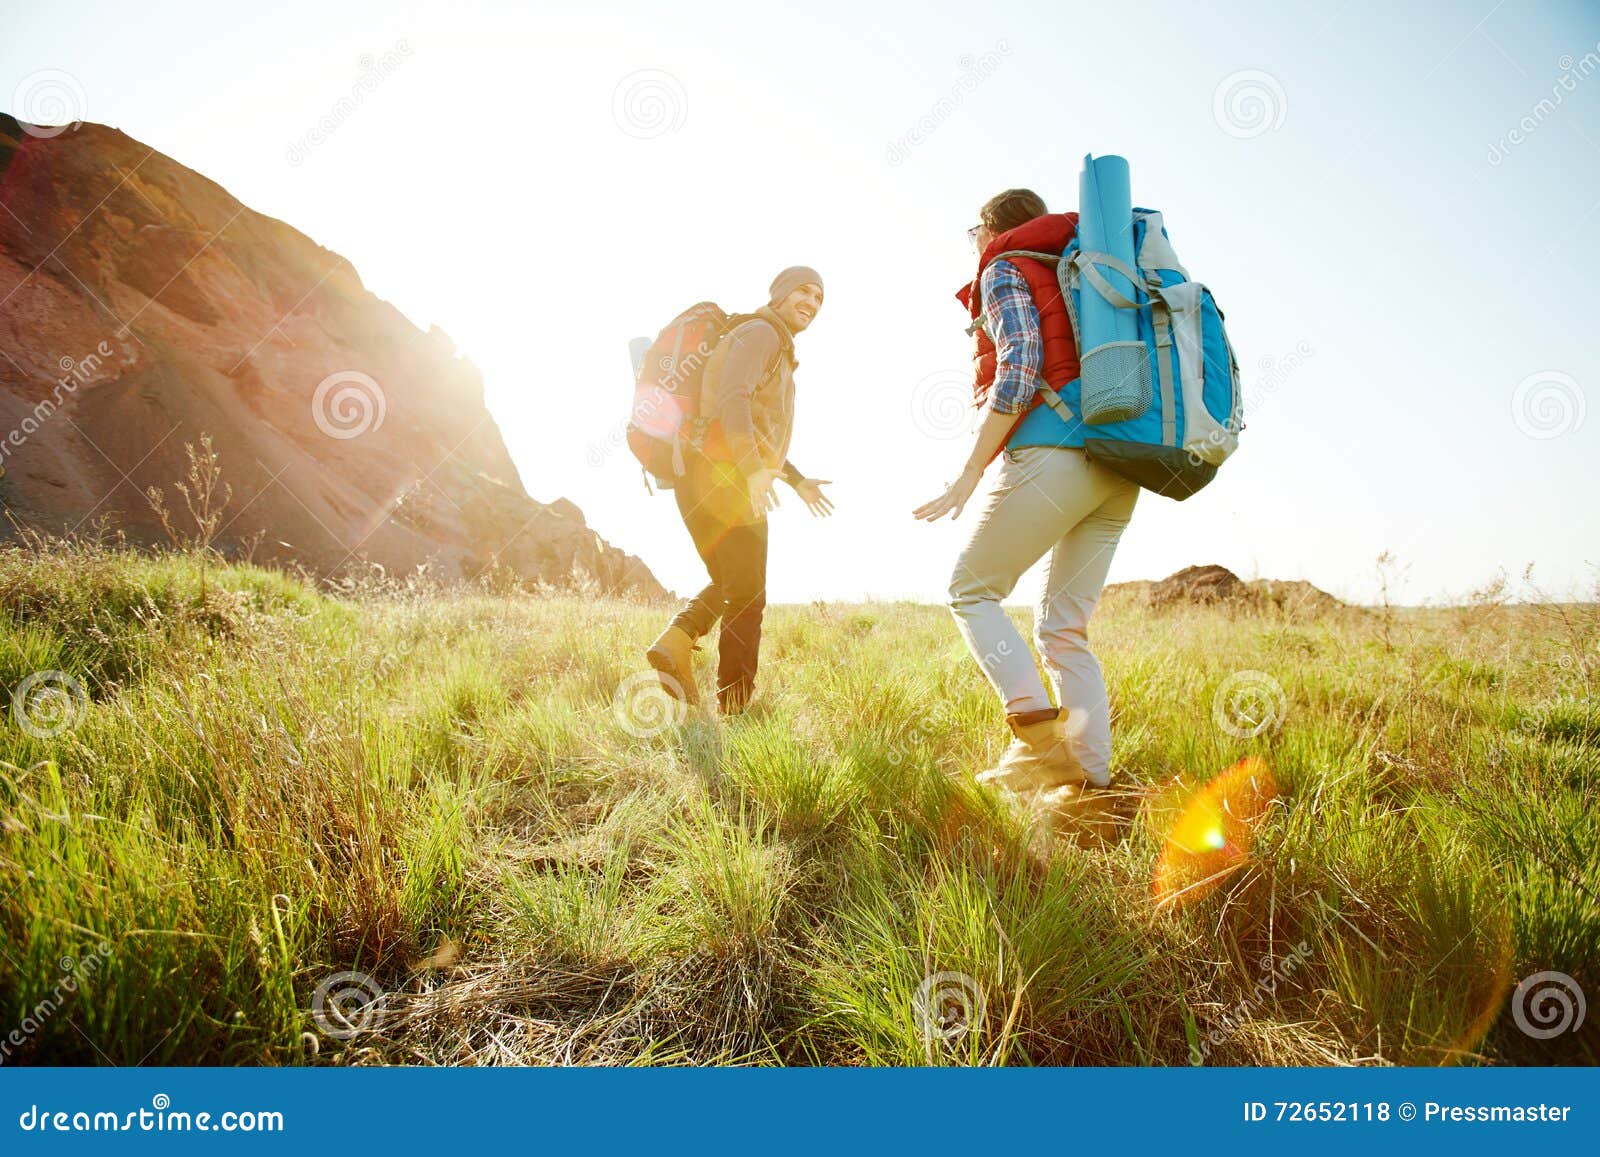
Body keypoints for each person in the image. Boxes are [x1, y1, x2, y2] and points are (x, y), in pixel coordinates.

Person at [913, 189, 1137, 818]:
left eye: (973, 231)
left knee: (971, 589)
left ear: (991, 229)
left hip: (1056, 453)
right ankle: (1090, 781)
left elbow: (1018, 370)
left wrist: (966, 476)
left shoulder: (1008, 266)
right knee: (1064, 625)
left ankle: (1041, 743)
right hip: (1121, 464)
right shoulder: (1087, 273)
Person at [647, 267, 832, 715]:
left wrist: (795, 478)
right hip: (724, 478)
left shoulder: (767, 342)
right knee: (748, 596)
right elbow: (733, 399)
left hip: (700, 474)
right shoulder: (761, 334)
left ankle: (677, 639)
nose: (811, 302)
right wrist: (752, 472)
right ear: (781, 293)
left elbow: (748, 423)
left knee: (733, 584)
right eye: (803, 291)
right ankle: (735, 712)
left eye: (819, 298)